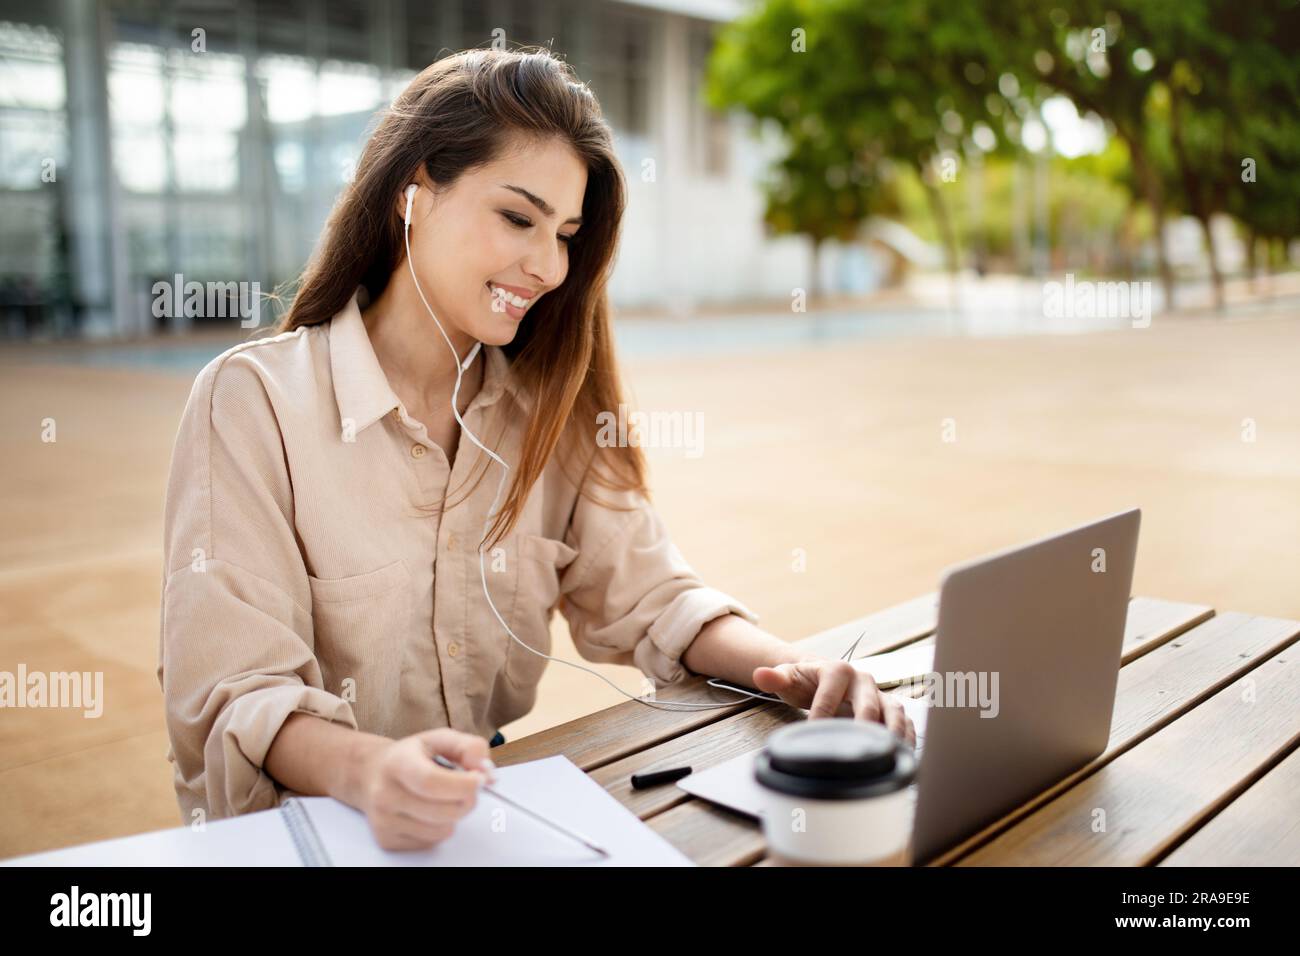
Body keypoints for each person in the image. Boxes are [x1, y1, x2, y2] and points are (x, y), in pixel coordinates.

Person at [158, 47, 913, 852]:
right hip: (309, 835)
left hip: (482, 826)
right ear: (414, 192)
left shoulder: (546, 404)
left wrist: (797, 670)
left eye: (565, 234)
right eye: (518, 218)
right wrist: (369, 772)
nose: (549, 266)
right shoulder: (255, 403)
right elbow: (237, 693)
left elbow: (652, 595)